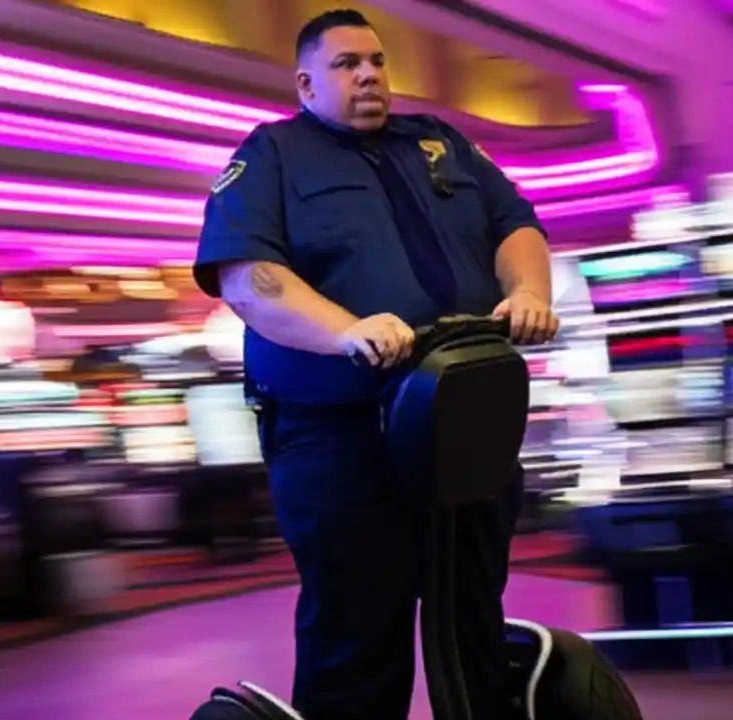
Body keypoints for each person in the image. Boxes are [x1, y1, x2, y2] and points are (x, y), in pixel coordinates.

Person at [191, 9, 559, 720]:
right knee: (358, 628)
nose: (368, 75)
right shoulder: (272, 155)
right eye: (346, 64)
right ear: (305, 83)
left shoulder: (441, 142)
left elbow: (515, 223)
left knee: (473, 613)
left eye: (377, 61)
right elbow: (246, 277)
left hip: (463, 417)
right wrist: (346, 332)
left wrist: (530, 294)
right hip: (339, 430)